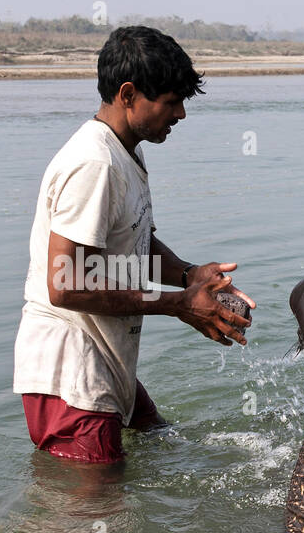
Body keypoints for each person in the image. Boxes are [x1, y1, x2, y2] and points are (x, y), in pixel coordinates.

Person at [13, 25, 254, 465]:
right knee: (92, 511)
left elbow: (135, 239)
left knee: (165, 441)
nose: (181, 114)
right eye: (170, 102)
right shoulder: (94, 164)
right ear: (128, 94)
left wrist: (188, 274)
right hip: (72, 374)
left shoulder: (126, 151)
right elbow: (64, 286)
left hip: (106, 360)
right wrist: (178, 303)